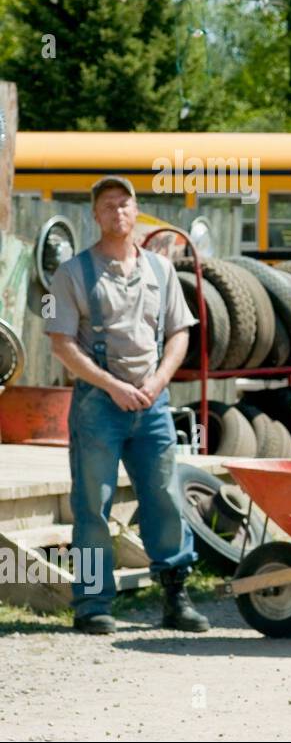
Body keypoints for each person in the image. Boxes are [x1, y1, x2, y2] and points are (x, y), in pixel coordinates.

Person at [44, 175, 209, 635]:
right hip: (99, 404)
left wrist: (157, 382)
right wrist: (112, 385)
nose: (118, 212)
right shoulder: (72, 273)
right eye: (108, 205)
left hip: (152, 404)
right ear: (95, 216)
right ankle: (93, 605)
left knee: (165, 497)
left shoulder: (160, 270)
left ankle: (176, 597)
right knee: (93, 505)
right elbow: (60, 344)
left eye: (125, 203)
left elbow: (180, 333)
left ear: (136, 211)